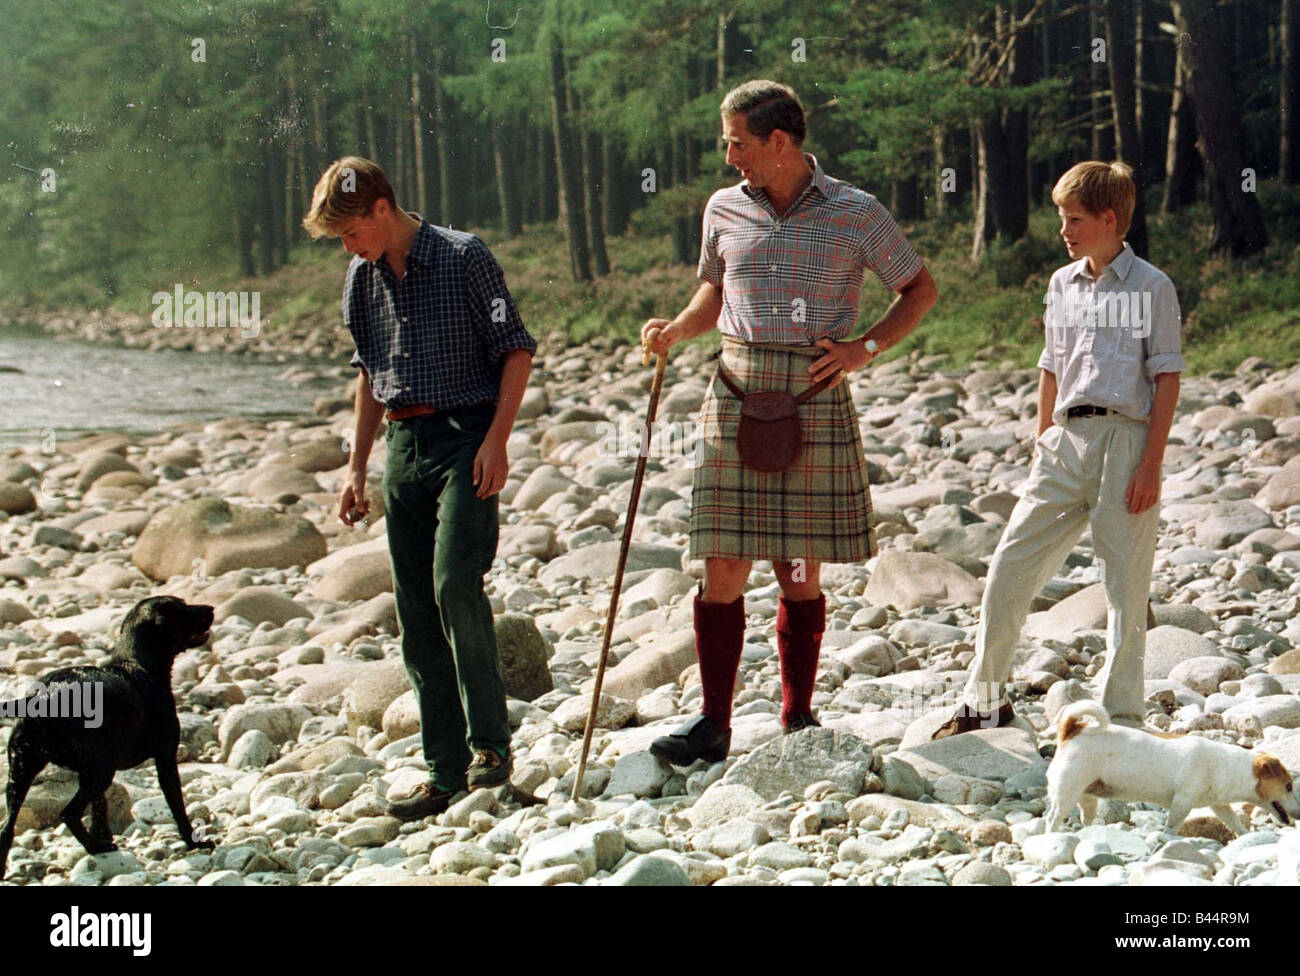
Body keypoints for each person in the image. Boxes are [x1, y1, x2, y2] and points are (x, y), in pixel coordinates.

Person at [641, 81, 938, 767]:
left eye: (737, 142)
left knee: (799, 569)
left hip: (813, 389)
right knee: (721, 567)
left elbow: (918, 289)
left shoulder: (856, 212)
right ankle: (713, 726)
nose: (729, 157)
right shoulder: (723, 208)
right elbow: (715, 290)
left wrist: (864, 348)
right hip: (736, 386)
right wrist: (676, 331)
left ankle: (797, 716)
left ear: (779, 142)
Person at [302, 157, 536, 816]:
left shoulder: (465, 258)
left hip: (468, 437)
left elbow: (516, 349)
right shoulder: (360, 277)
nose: (347, 247)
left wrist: (498, 440)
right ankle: (442, 769)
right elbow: (369, 374)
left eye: (349, 232)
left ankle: (490, 748)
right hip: (404, 448)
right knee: (414, 610)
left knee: (455, 582)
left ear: (381, 208)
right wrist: (356, 467)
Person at [933, 160, 1183, 739]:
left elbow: (1167, 377)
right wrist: (1043, 438)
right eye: (1061, 218)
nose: (1063, 231)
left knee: (1125, 587)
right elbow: (1050, 365)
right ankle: (986, 701)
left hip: (1127, 442)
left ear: (1109, 218)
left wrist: (1151, 463)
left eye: (1074, 219)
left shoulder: (1152, 286)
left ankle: (1122, 718)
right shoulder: (1060, 284)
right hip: (1064, 445)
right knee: (1008, 572)